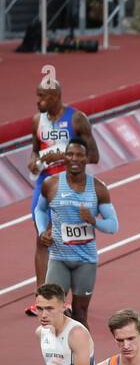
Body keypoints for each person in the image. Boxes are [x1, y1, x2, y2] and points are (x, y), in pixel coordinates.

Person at [27, 78, 97, 317]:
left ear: (55, 97)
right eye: (37, 96)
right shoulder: (37, 120)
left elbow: (94, 155)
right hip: (44, 185)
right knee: (42, 239)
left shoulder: (77, 119)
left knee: (66, 241)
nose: (37, 102)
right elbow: (35, 150)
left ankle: (66, 296)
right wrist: (35, 161)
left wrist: (65, 155)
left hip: (70, 186)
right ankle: (42, 300)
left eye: (42, 97)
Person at [34, 139, 118, 327]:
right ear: (64, 157)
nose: (74, 159)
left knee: (80, 315)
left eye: (79, 155)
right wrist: (42, 231)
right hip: (59, 258)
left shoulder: (98, 188)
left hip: (85, 261)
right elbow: (39, 211)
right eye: (70, 154)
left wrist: (93, 220)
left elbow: (113, 226)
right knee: (51, 311)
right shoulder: (51, 184)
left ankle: (84, 356)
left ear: (86, 158)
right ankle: (57, 356)